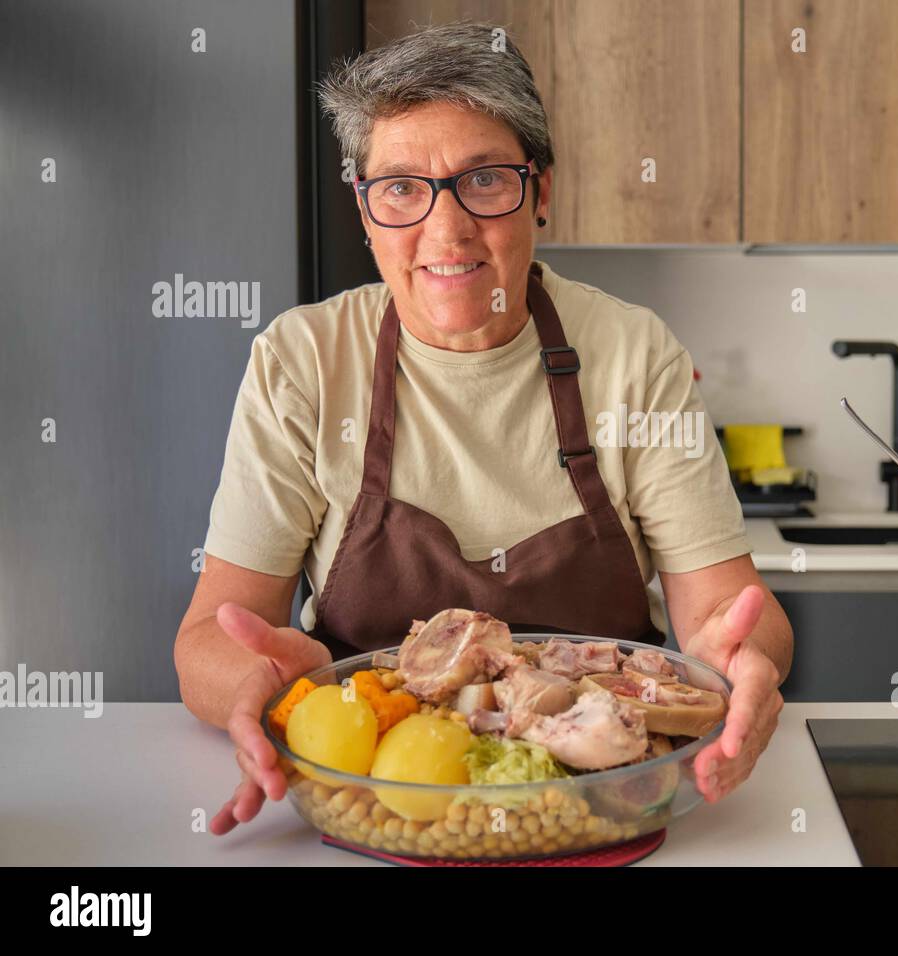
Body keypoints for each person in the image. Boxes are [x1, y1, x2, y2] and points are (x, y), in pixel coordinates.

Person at [173, 22, 792, 837]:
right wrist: (256, 679)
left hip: (596, 799)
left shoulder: (634, 354)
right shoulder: (304, 361)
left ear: (539, 190)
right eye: (400, 188)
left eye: (486, 181)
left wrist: (748, 659)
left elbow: (730, 616)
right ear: (363, 208)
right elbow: (204, 643)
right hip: (375, 805)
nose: (446, 231)